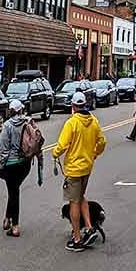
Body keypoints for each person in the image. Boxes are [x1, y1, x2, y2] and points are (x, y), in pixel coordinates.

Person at [52, 92, 106, 252]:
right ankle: (89, 227)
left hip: (74, 170)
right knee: (81, 197)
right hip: (87, 167)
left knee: (73, 202)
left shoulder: (72, 123)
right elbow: (102, 141)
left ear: (73, 106)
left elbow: (61, 145)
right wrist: (95, 153)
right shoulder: (94, 121)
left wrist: (55, 153)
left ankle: (77, 239)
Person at [0, 100, 32, 237]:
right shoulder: (27, 122)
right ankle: (7, 219)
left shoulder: (7, 126)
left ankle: (15, 226)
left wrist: (2, 165)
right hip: (25, 163)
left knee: (14, 193)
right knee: (13, 191)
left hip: (11, 164)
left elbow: (4, 148)